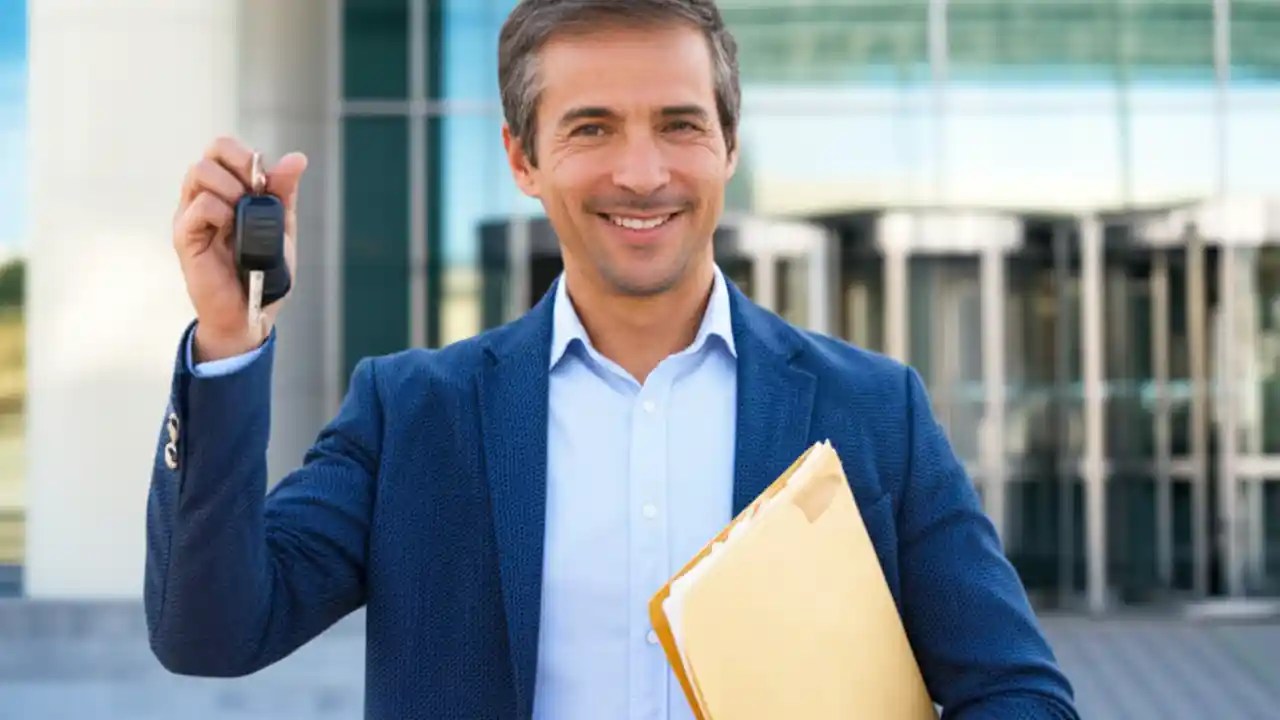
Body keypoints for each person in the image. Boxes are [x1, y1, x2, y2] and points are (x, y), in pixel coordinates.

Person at [145, 0, 1080, 718]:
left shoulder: (876, 411)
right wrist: (230, 337)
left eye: (679, 124)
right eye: (591, 128)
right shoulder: (412, 414)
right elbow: (212, 631)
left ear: (728, 148)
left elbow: (1022, 695)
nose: (643, 172)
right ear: (523, 159)